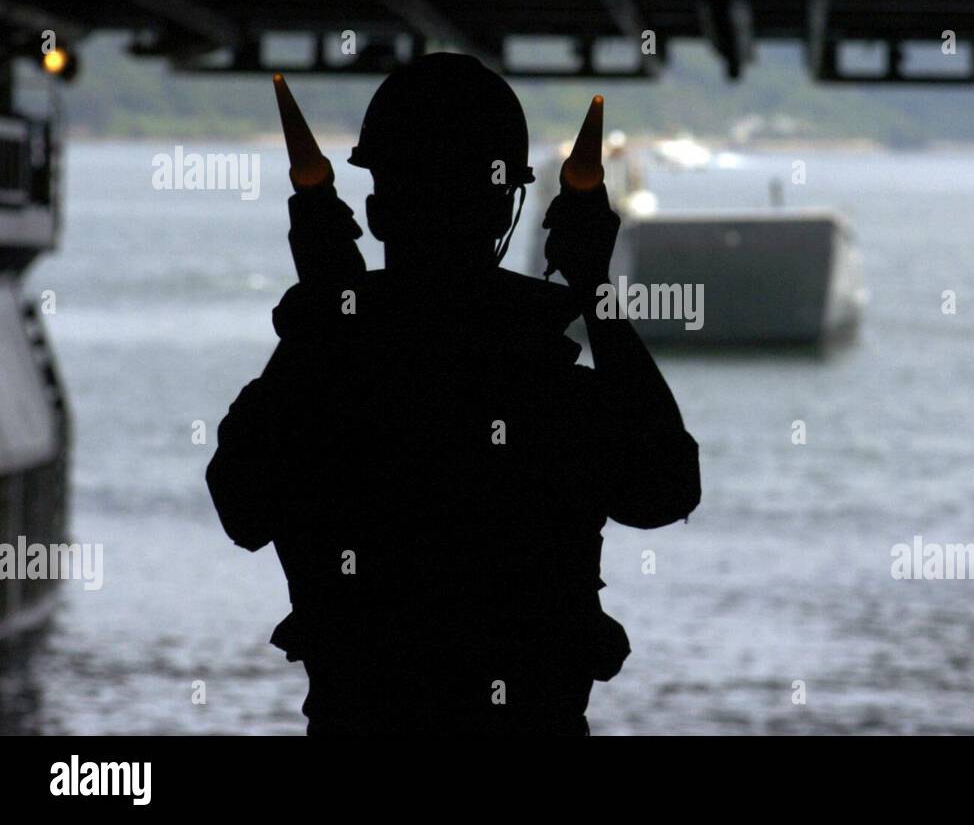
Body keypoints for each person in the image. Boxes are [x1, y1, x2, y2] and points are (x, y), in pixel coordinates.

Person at [206, 53, 700, 735]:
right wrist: (595, 287)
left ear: (377, 211)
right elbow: (665, 488)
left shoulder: (327, 384)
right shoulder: (555, 394)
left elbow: (242, 508)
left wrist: (326, 307)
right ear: (505, 205)